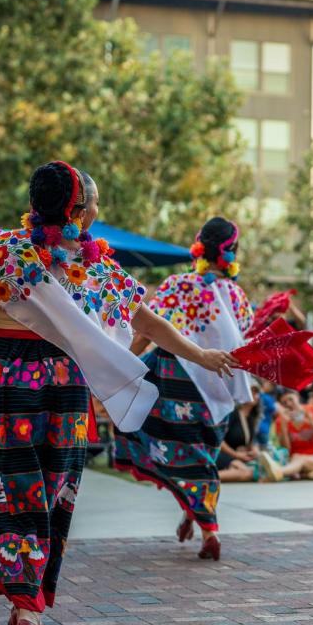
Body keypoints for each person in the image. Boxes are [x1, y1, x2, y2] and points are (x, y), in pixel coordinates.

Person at [0, 162, 232, 625]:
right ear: (81, 213)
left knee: (2, 486)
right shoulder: (91, 266)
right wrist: (201, 355)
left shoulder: (1, 250)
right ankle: (27, 606)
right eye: (95, 203)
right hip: (63, 388)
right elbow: (147, 323)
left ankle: (22, 600)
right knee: (48, 494)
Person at [111, 216, 251, 561]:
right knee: (202, 456)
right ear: (230, 253)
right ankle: (197, 514)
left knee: (161, 443)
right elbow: (244, 339)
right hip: (219, 392)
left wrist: (118, 370)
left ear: (198, 245)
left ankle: (207, 525)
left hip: (175, 383)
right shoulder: (237, 294)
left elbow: (147, 332)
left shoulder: (177, 285)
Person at [272, 388, 313, 480]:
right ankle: (311, 474)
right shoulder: (281, 420)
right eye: (284, 403)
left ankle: (278, 471)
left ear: (297, 397)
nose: (289, 404)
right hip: (294, 460)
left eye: (291, 399)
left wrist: (312, 422)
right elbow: (286, 450)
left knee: (299, 458)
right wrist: (283, 426)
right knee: (296, 457)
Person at [216, 392, 268, 483]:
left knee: (249, 472)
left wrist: (254, 450)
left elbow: (250, 442)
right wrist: (235, 454)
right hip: (222, 454)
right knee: (248, 473)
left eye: (257, 393)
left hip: (237, 457)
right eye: (252, 392)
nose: (256, 396)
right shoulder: (232, 413)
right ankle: (208, 479)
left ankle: (213, 477)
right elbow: (218, 439)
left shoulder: (251, 418)